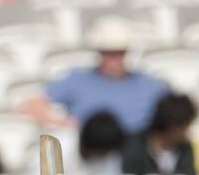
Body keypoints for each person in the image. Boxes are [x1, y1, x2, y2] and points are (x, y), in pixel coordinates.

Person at [28, 16, 168, 136]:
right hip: (91, 151)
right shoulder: (77, 80)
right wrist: (65, 125)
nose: (113, 59)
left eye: (119, 53)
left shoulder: (150, 85)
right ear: (98, 51)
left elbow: (175, 112)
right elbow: (32, 106)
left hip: (139, 151)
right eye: (107, 53)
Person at [121, 94, 197, 175]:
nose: (186, 132)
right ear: (172, 126)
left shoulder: (185, 148)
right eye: (184, 127)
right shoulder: (135, 145)